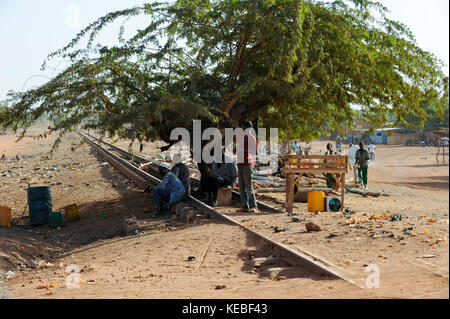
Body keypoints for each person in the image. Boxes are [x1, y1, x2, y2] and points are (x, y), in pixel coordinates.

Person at [237, 121, 258, 213]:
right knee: (241, 187)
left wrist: (241, 149)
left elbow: (253, 151)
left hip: (247, 164)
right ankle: (244, 206)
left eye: (243, 128)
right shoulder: (243, 138)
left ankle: (254, 206)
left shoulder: (252, 138)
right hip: (240, 163)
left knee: (248, 187)